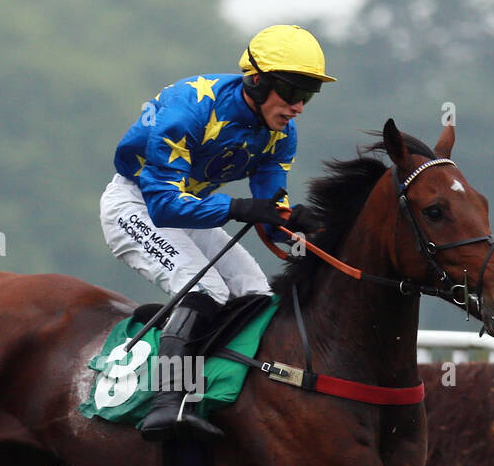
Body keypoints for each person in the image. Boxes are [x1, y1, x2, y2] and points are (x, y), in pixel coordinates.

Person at [100, 24, 334, 441]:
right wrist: (241, 207)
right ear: (258, 82)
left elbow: (268, 214)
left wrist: (307, 230)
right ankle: (167, 402)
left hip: (195, 208)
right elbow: (164, 205)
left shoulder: (281, 132)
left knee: (255, 293)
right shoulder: (188, 109)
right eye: (293, 92)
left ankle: (231, 397)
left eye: (308, 95)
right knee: (206, 290)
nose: (299, 107)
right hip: (137, 204)